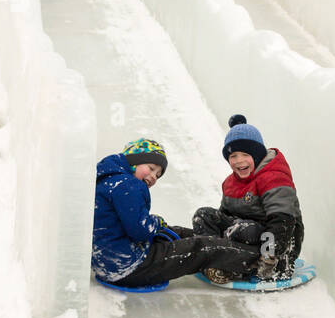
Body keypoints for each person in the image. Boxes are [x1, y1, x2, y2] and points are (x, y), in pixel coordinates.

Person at [92, 138, 265, 288]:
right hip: (129, 266)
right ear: (134, 161)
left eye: (158, 175)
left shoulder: (110, 180)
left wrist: (158, 226)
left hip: (110, 262)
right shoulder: (128, 185)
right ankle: (258, 260)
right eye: (151, 168)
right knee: (202, 247)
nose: (153, 176)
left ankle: (232, 248)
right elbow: (140, 230)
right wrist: (156, 222)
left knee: (176, 232)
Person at [191, 116, 305, 282]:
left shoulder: (274, 176)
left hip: (278, 248)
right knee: (203, 215)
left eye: (245, 154)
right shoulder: (230, 182)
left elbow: (283, 221)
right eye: (233, 156)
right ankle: (213, 261)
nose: (239, 161)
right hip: (244, 235)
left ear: (257, 154)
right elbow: (224, 218)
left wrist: (270, 256)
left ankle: (234, 265)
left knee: (243, 229)